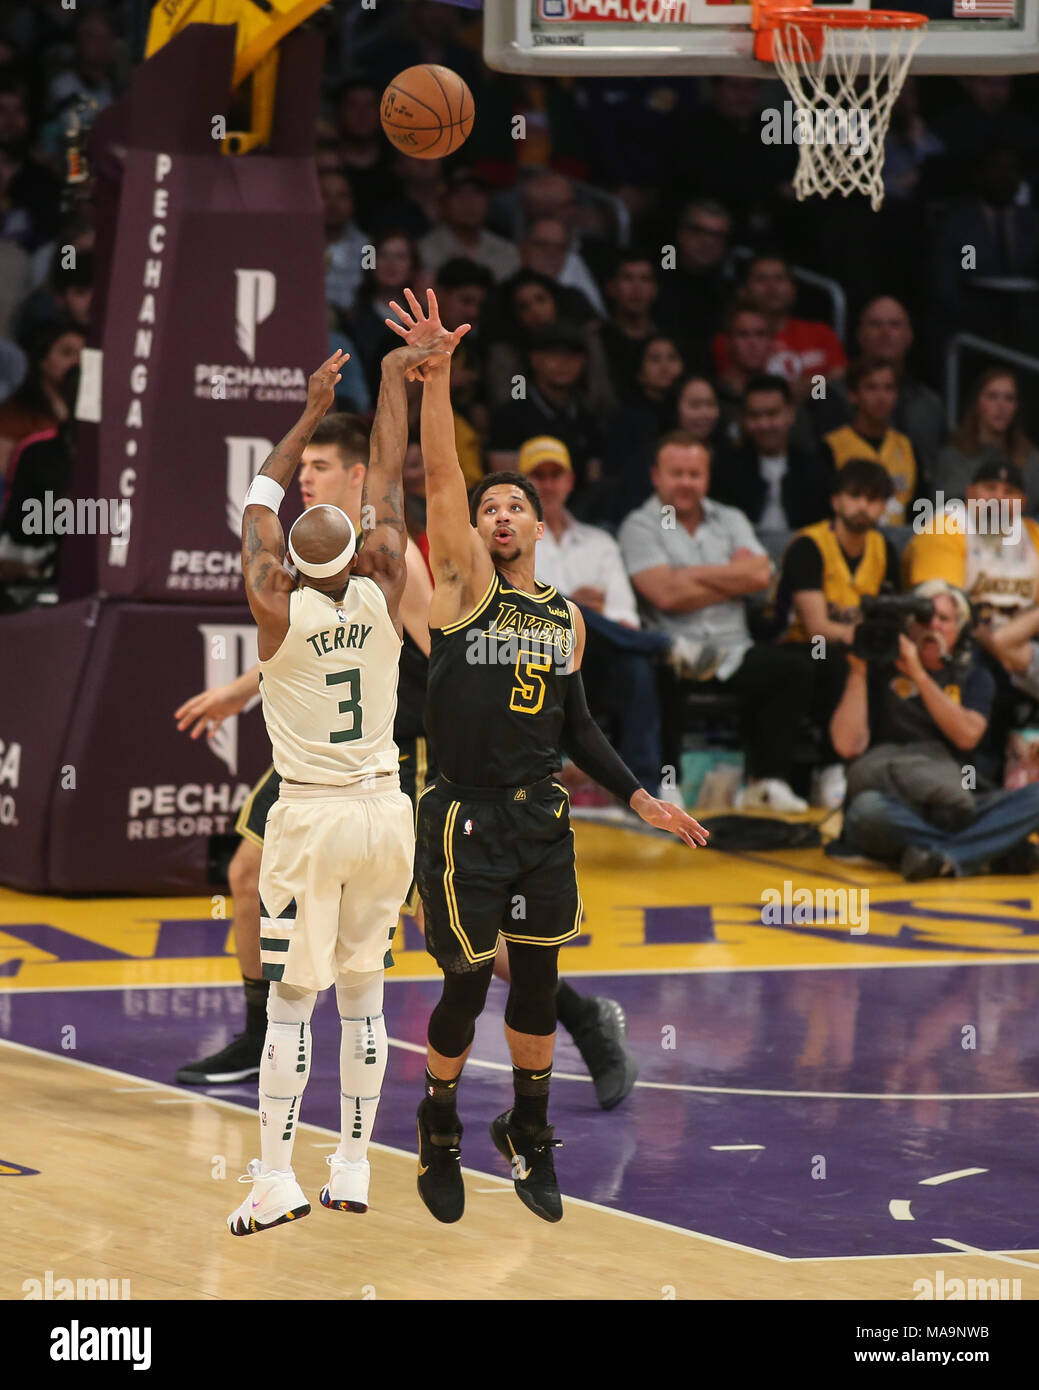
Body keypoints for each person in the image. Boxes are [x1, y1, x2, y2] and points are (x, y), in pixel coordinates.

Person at [176, 419, 643, 1114]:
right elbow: (300, 636)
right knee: (247, 872)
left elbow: (454, 653)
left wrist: (496, 743)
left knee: (438, 921)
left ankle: (581, 1016)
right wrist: (240, 693)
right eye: (303, 468)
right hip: (318, 747)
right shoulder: (323, 542)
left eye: (323, 466)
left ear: (359, 475)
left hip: (393, 750)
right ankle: (254, 1037)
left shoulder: (399, 559)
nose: (306, 478)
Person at [391, 288, 708, 1225]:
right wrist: (437, 375)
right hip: (460, 814)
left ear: (537, 529)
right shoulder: (459, 591)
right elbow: (440, 477)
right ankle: (438, 1123)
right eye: (489, 506)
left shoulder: (565, 619)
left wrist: (640, 797)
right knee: (459, 990)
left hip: (541, 816)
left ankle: (528, 1135)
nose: (495, 514)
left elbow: (576, 728)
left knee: (533, 985)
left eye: (512, 508)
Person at [224, 338, 441, 1236]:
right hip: (385, 810)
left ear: (288, 562)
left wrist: (313, 408)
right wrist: (395, 382)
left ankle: (276, 1175)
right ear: (359, 548)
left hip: (308, 816)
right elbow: (389, 480)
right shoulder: (385, 582)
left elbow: (257, 500)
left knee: (290, 1003)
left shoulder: (275, 601)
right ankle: (352, 1164)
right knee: (365, 997)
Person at [618, 432, 816, 813]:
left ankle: (766, 781)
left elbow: (760, 576)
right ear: (656, 476)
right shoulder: (638, 525)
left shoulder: (731, 518)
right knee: (657, 672)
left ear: (707, 477)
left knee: (796, 668)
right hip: (675, 646)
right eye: (677, 473)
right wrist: (730, 578)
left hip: (734, 648)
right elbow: (665, 595)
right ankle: (665, 782)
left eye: (695, 474)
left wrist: (686, 575)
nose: (686, 483)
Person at [519, 435, 708, 801]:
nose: (547, 484)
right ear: (522, 484)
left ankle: (647, 790)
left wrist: (577, 610)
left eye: (555, 475)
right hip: (535, 659)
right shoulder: (511, 542)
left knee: (634, 666)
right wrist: (575, 605)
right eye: (537, 476)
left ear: (570, 481)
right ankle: (667, 644)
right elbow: (521, 609)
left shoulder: (599, 542)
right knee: (567, 609)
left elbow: (623, 617)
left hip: (596, 660)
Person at [829, 581, 1039, 880]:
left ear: (959, 629)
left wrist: (918, 674)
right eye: (924, 619)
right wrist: (858, 670)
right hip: (896, 804)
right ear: (909, 628)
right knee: (865, 811)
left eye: (944, 620)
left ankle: (941, 857)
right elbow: (847, 745)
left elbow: (967, 736)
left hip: (957, 802)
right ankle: (986, 848)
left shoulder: (975, 677)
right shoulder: (876, 669)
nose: (934, 627)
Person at [773, 461, 902, 808]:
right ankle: (832, 767)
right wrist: (862, 639)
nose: (864, 506)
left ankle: (882, 767)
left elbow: (892, 616)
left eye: (874, 499)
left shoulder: (883, 549)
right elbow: (817, 626)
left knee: (895, 665)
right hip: (799, 646)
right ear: (836, 501)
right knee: (835, 660)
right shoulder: (809, 546)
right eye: (855, 495)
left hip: (854, 646)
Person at [711, 373, 831, 533]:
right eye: (754, 415)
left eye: (772, 414)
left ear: (790, 414)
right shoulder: (726, 468)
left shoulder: (815, 466)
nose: (764, 424)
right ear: (743, 419)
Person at [713, 254, 847, 393]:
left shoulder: (821, 332)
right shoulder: (729, 338)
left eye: (779, 278)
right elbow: (736, 386)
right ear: (744, 290)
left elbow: (837, 381)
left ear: (793, 289)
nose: (772, 287)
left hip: (818, 406)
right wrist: (808, 384)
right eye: (761, 279)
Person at [931, 367, 1039, 516]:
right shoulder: (953, 456)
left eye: (1009, 398)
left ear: (1016, 407)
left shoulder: (1031, 460)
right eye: (992, 396)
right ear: (977, 403)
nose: (1001, 406)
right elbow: (946, 512)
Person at [824, 359, 918, 525]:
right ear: (853, 395)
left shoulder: (907, 446)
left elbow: (918, 509)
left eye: (889, 388)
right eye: (871, 387)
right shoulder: (830, 446)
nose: (881, 397)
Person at [0, 320, 83, 485]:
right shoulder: (14, 414)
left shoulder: (87, 416)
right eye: (67, 353)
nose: (77, 362)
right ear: (42, 361)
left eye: (83, 354)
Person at [419, 168, 519, 284]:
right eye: (459, 193)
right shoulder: (425, 250)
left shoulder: (506, 251)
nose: (469, 201)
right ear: (443, 202)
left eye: (476, 193)